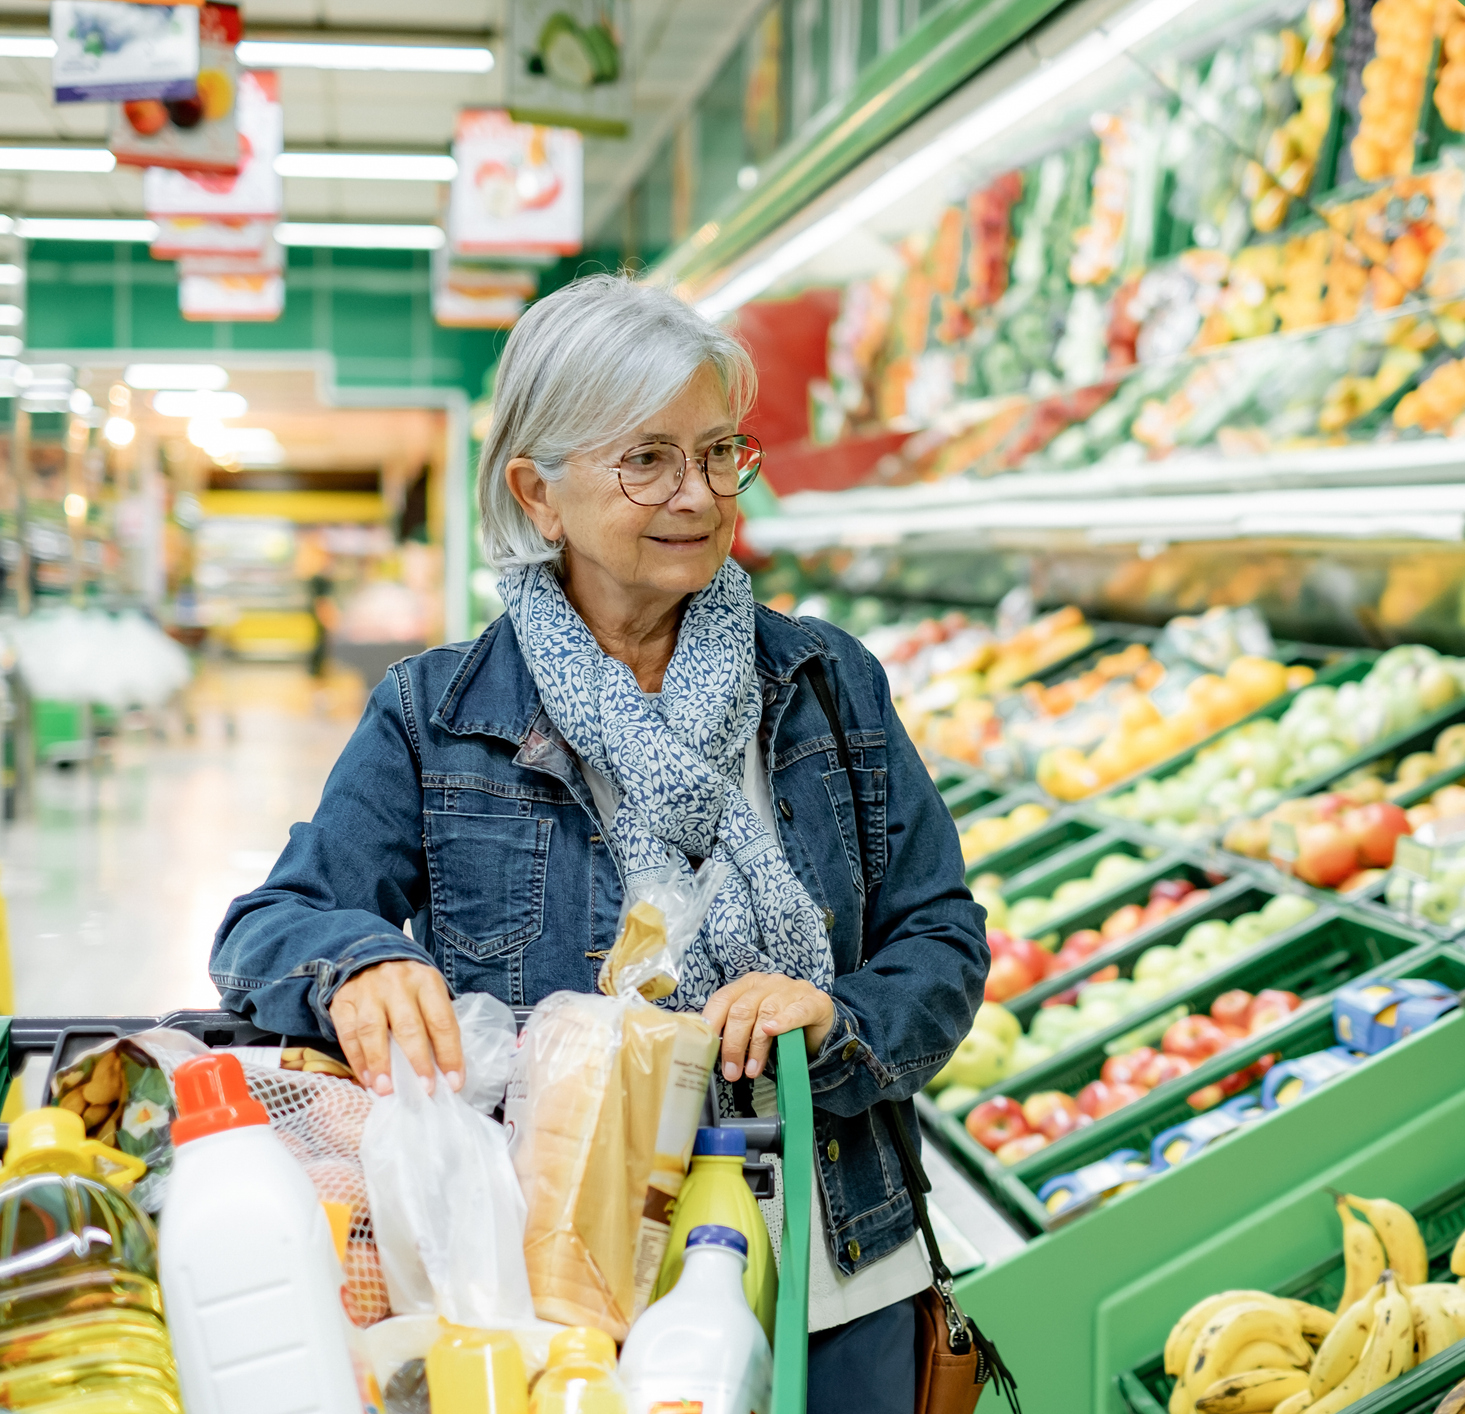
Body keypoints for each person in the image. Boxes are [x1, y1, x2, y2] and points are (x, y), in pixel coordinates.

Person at [211, 273, 989, 1414]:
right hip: (564, 1297)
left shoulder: (827, 687)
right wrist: (360, 963)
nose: (698, 495)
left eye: (721, 452)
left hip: (834, 1273)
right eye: (649, 459)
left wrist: (842, 1019)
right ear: (538, 493)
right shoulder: (437, 717)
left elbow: (942, 936)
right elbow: (269, 925)